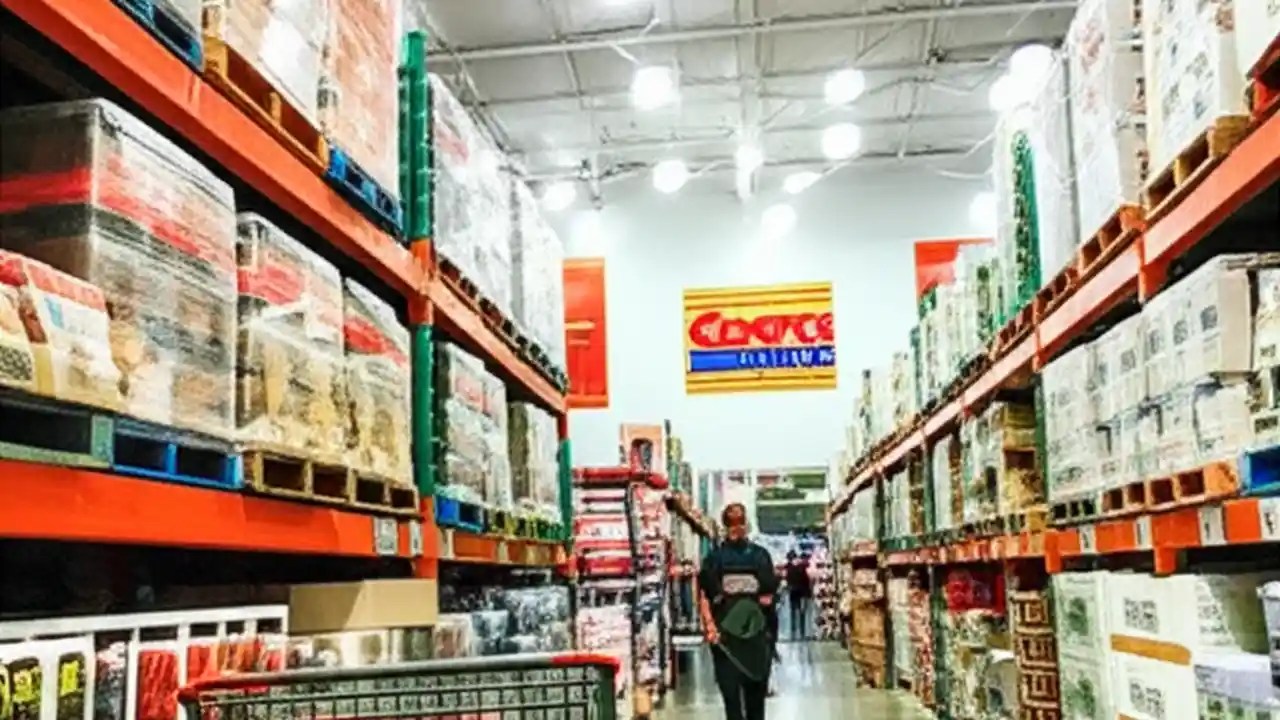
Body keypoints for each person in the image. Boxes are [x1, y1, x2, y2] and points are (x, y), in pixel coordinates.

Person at [698, 503, 778, 720]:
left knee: (756, 700)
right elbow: (704, 595)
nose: (737, 528)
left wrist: (770, 639)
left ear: (746, 524)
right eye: (732, 524)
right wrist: (710, 627)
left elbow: (770, 596)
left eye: (740, 523)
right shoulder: (714, 560)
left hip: (757, 637)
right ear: (725, 527)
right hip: (725, 639)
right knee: (731, 698)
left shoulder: (761, 556)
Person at [785, 551, 812, 640]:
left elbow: (788, 580)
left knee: (793, 612)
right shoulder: (802, 567)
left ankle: (793, 632)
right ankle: (802, 632)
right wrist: (808, 593)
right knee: (802, 613)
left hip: (793, 592)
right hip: (802, 593)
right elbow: (806, 581)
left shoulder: (789, 567)